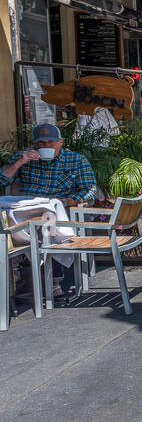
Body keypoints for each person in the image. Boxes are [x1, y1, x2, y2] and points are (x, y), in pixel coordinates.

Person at [2, 122, 98, 299]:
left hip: (57, 211)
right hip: (26, 211)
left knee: (48, 220)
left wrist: (68, 201)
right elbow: (2, 181)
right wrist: (19, 162)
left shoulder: (76, 160)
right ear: (34, 144)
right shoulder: (23, 158)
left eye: (50, 142)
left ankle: (53, 279)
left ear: (60, 142)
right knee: (4, 223)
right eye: (41, 143)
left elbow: (90, 189)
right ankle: (12, 272)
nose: (45, 146)